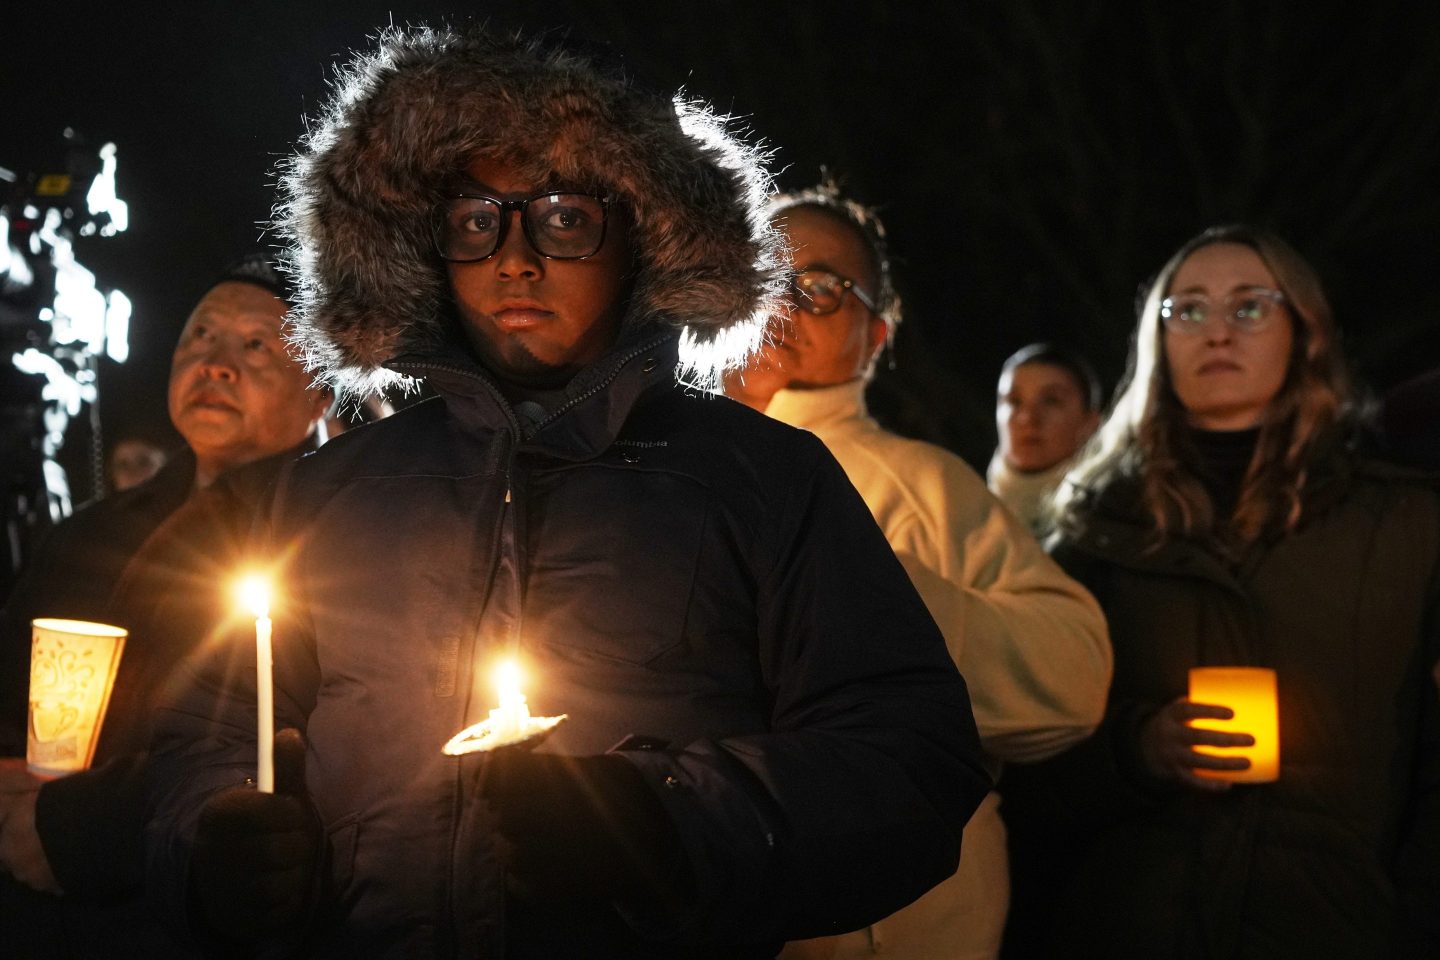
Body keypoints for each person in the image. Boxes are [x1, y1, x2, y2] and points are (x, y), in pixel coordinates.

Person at [145, 26, 990, 960]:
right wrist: (212, 844)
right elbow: (208, 735)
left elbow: (907, 759)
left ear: (642, 228)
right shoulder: (330, 492)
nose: (515, 260)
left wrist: (659, 822)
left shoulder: (759, 479)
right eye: (475, 219)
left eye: (563, 216)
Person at [1000, 225, 1440, 959]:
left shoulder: (1408, 526)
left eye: (1250, 307)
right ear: (1158, 344)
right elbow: (1026, 757)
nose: (1217, 331)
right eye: (1189, 310)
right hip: (1131, 924)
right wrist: (1136, 747)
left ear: (1306, 332)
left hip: (1334, 927)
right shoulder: (1092, 533)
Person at [724, 183, 1111, 960]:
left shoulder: (924, 483)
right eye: (763, 270)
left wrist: (877, 594)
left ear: (878, 333)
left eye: (822, 287)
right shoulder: (660, 458)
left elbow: (1074, 675)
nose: (785, 304)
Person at [0, 255, 332, 956]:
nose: (215, 364)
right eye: (200, 337)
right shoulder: (92, 531)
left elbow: (288, 748)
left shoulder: (335, 540)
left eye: (255, 346)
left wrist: (76, 829)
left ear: (321, 393)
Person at [987, 343, 1102, 533]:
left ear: (1091, 423)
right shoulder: (960, 518)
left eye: (1051, 401)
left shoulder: (1106, 526)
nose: (1028, 418)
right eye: (1014, 401)